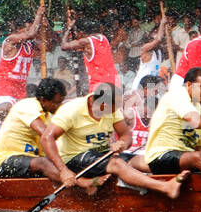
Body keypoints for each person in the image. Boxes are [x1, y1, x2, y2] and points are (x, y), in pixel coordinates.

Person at [42, 82, 189, 199]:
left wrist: (123, 143)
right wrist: (63, 171)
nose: (115, 112)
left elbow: (126, 135)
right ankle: (165, 187)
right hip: (75, 157)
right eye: (112, 109)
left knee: (141, 161)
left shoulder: (111, 106)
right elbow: (46, 138)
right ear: (101, 104)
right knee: (117, 163)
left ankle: (183, 172)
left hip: (102, 155)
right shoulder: (72, 110)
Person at [133, 67, 201, 195]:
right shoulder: (177, 94)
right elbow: (196, 121)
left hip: (183, 158)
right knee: (200, 158)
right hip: (160, 157)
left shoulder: (199, 109)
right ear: (189, 85)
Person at [0, 78, 73, 182]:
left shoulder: (47, 116)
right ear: (43, 100)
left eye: (61, 102)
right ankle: (79, 185)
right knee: (43, 163)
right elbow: (47, 135)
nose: (59, 106)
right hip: (6, 163)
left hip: (29, 162)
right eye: (56, 103)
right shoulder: (27, 106)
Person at [0, 5, 46, 109]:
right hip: (3, 87)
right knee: (6, 110)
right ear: (20, 30)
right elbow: (31, 34)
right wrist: (38, 15)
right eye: (28, 29)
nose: (33, 30)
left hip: (19, 90)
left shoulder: (29, 44)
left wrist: (45, 27)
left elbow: (47, 46)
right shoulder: (11, 40)